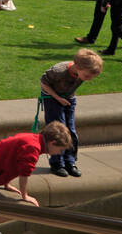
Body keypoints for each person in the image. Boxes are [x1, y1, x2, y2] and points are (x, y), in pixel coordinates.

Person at [40, 49, 103, 177]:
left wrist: (66, 98)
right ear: (77, 66)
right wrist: (58, 98)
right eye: (86, 76)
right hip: (52, 99)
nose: (88, 80)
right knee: (58, 131)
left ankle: (70, 161)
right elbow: (43, 83)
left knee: (71, 131)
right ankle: (57, 163)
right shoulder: (59, 71)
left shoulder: (83, 71)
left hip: (68, 98)